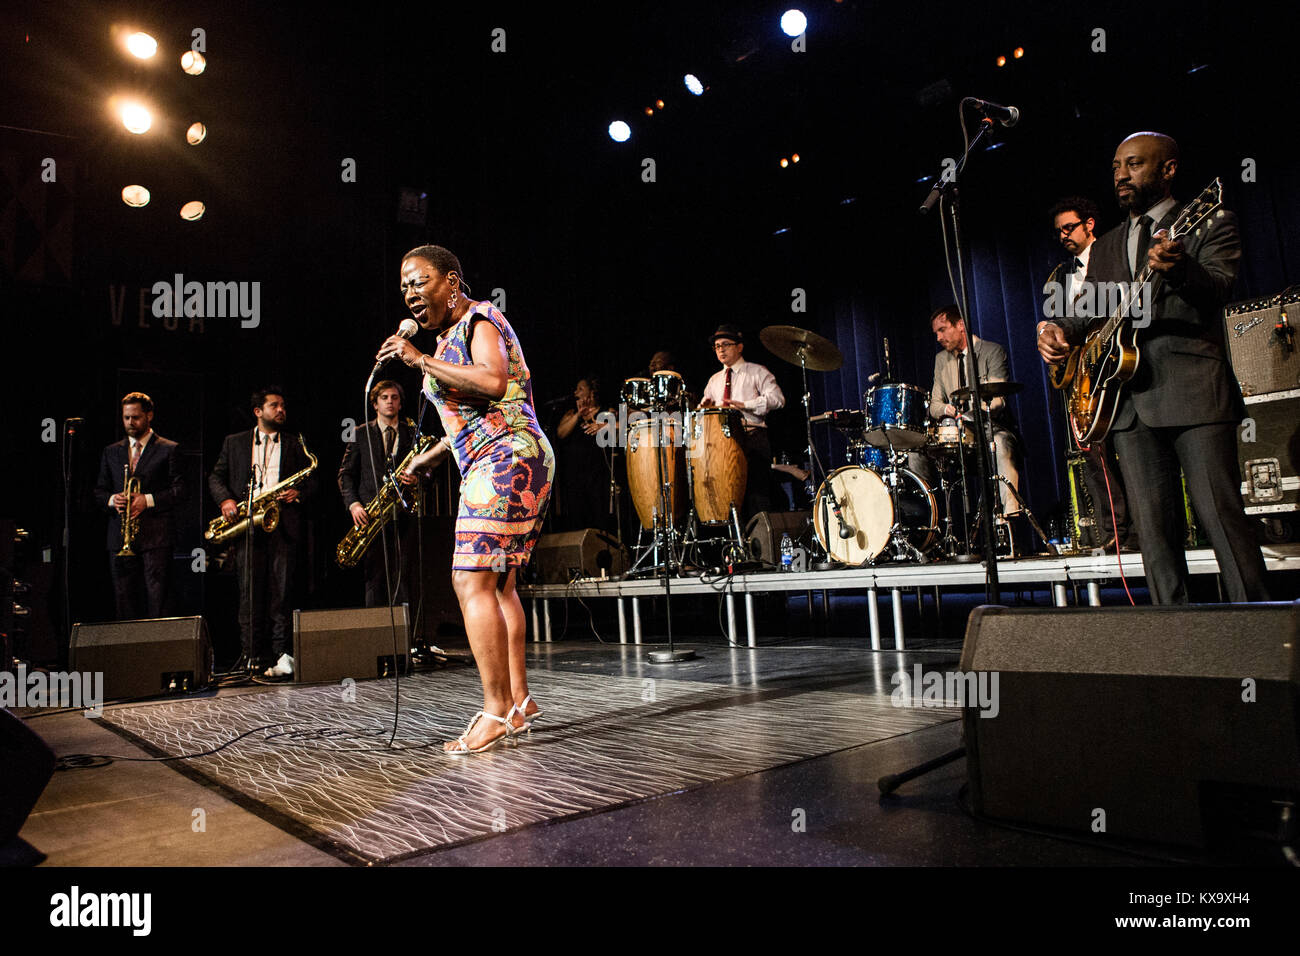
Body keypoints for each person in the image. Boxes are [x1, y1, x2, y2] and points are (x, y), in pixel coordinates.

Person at [1037, 131, 1270, 604]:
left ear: (1168, 170)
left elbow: (1219, 291)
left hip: (1193, 390)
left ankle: (1262, 635)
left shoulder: (1208, 219)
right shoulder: (1108, 244)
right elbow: (1090, 309)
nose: (1121, 175)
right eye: (1117, 167)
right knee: (1154, 535)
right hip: (1126, 403)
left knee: (1220, 517)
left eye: (1135, 164)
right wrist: (1057, 328)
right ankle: (1177, 640)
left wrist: (1181, 269)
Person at [380, 244, 554, 754]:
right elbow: (470, 415)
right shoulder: (451, 335)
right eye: (405, 286)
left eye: (421, 281)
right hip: (504, 455)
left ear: (452, 280)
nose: (411, 293)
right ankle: (520, 701)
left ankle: (495, 711)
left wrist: (419, 360)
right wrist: (427, 459)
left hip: (507, 457)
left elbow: (494, 383)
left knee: (469, 578)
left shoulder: (480, 318)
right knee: (499, 585)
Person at [1045, 196, 1137, 550]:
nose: (1064, 235)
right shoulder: (1059, 276)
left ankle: (1145, 531)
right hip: (1083, 375)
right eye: (1059, 232)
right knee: (1095, 457)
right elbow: (1057, 326)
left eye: (1069, 227)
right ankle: (1115, 533)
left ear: (1089, 224)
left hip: (1120, 362)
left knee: (1130, 450)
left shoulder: (1117, 253)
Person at [208, 387, 317, 676]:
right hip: (249, 524)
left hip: (283, 525)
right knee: (249, 594)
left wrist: (299, 493)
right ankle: (251, 655)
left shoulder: (295, 444)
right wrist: (226, 500)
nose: (281, 410)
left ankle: (281, 653)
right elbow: (216, 477)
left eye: (283, 406)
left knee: (281, 594)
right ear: (258, 412)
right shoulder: (234, 442)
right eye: (274, 406)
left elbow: (312, 482)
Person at [93, 392, 184, 619]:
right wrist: (114, 500)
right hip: (119, 538)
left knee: (158, 601)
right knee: (124, 601)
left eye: (136, 417)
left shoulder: (169, 448)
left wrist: (147, 500)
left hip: (156, 538)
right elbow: (98, 491)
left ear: (149, 416)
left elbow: (181, 491)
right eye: (126, 418)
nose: (130, 423)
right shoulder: (111, 451)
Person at [927, 306, 1022, 515]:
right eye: (936, 333)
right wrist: (946, 408)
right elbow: (934, 405)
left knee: (1001, 443)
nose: (938, 338)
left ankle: (1009, 514)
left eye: (942, 330)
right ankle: (931, 526)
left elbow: (998, 402)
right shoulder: (941, 360)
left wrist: (968, 413)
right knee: (919, 452)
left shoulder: (991, 351)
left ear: (960, 325)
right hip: (958, 434)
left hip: (990, 427)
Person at [337, 380, 422, 607]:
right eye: (384, 398)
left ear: (400, 403)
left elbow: (429, 471)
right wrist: (354, 504)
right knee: (374, 577)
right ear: (374, 404)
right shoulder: (358, 432)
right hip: (371, 514)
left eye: (394, 398)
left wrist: (418, 478)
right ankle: (377, 635)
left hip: (404, 513)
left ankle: (405, 636)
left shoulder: (412, 432)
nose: (390, 402)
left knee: (404, 575)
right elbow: (345, 474)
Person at [699, 324, 785, 519]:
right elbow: (705, 410)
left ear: (739, 347)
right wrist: (704, 408)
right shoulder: (714, 380)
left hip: (753, 438)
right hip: (724, 445)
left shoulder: (756, 371)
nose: (720, 349)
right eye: (717, 346)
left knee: (757, 496)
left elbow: (778, 399)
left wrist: (746, 404)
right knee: (731, 496)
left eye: (726, 344)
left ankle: (761, 543)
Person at [555, 376, 615, 532]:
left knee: (599, 517)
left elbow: (621, 426)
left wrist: (603, 425)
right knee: (579, 518)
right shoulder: (571, 413)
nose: (576, 392)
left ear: (592, 392)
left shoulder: (606, 412)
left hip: (598, 475)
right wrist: (578, 415)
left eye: (580, 389)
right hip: (576, 477)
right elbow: (561, 433)